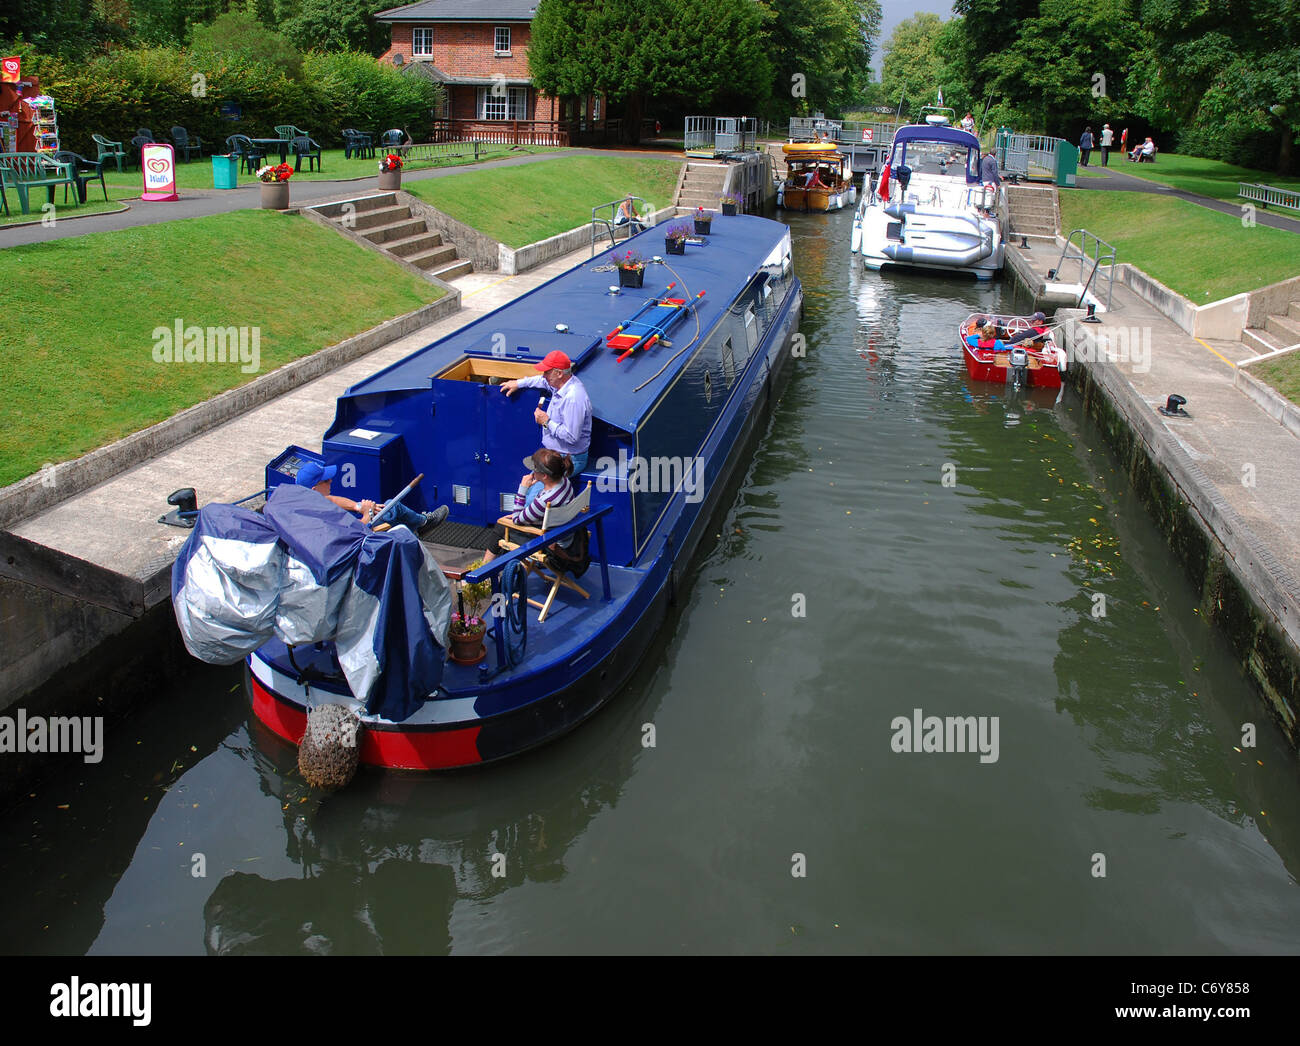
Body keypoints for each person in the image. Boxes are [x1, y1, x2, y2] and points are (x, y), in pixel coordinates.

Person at [500, 350, 593, 474]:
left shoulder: (573, 398)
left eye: (547, 372)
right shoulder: (562, 382)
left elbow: (571, 437)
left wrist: (546, 422)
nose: (544, 375)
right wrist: (518, 383)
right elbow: (541, 381)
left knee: (532, 491)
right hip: (556, 455)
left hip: (569, 460)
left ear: (559, 373)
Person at [295, 460, 448, 534]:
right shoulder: (314, 520)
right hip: (356, 539)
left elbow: (333, 499)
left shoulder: (307, 498)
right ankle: (422, 524)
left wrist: (358, 506)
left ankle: (420, 524)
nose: (331, 481)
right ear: (315, 489)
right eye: (326, 480)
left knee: (390, 507)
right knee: (392, 508)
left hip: (355, 528)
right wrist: (367, 513)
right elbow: (351, 533)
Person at [482, 448, 575, 562]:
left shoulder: (544, 501)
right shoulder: (565, 482)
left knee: (501, 526)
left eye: (534, 469)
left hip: (547, 542)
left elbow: (516, 519)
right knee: (508, 521)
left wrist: (523, 488)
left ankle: (483, 571)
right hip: (564, 536)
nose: (532, 472)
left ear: (545, 476)